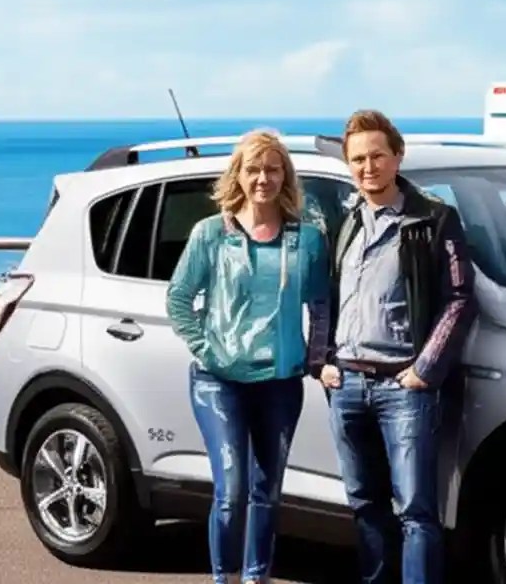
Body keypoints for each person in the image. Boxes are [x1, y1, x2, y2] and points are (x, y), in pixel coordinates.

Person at [307, 110, 479, 584]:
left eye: (377, 156)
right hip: (345, 384)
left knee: (416, 510)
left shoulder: (433, 219)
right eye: (358, 159)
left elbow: (460, 298)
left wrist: (425, 369)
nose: (368, 167)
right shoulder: (346, 222)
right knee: (364, 504)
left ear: (397, 156)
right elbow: (325, 295)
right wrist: (320, 360)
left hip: (403, 386)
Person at [166, 129, 331, 584]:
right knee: (231, 490)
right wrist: (206, 349)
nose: (264, 178)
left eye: (273, 168)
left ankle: (256, 577)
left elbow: (320, 306)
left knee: (268, 492)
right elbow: (179, 298)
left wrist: (317, 360)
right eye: (254, 168)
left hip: (279, 382)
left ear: (285, 175)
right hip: (219, 382)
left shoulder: (308, 240)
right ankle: (224, 577)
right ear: (237, 174)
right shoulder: (211, 234)